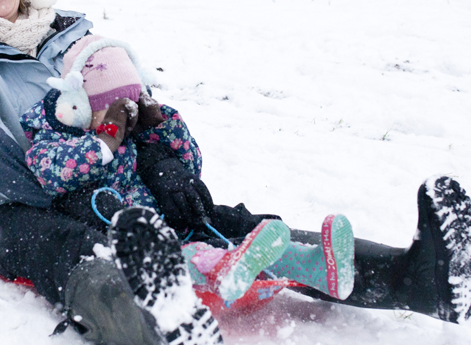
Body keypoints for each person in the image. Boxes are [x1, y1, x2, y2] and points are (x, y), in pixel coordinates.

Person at [0, 0, 471, 345]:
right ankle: (153, 316)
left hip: (112, 181)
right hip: (5, 207)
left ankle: (418, 280)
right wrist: (79, 193)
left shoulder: (75, 33)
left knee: (216, 222)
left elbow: (133, 104)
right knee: (67, 245)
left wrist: (165, 162)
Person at [20, 33, 356, 305]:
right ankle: (222, 267)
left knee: (224, 217)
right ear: (76, 106)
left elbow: (190, 163)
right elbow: (52, 172)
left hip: (167, 215)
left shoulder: (138, 131)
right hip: (129, 237)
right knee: (184, 247)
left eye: (129, 106)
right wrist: (104, 142)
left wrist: (161, 123)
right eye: (108, 108)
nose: (120, 117)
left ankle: (311, 265)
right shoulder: (53, 135)